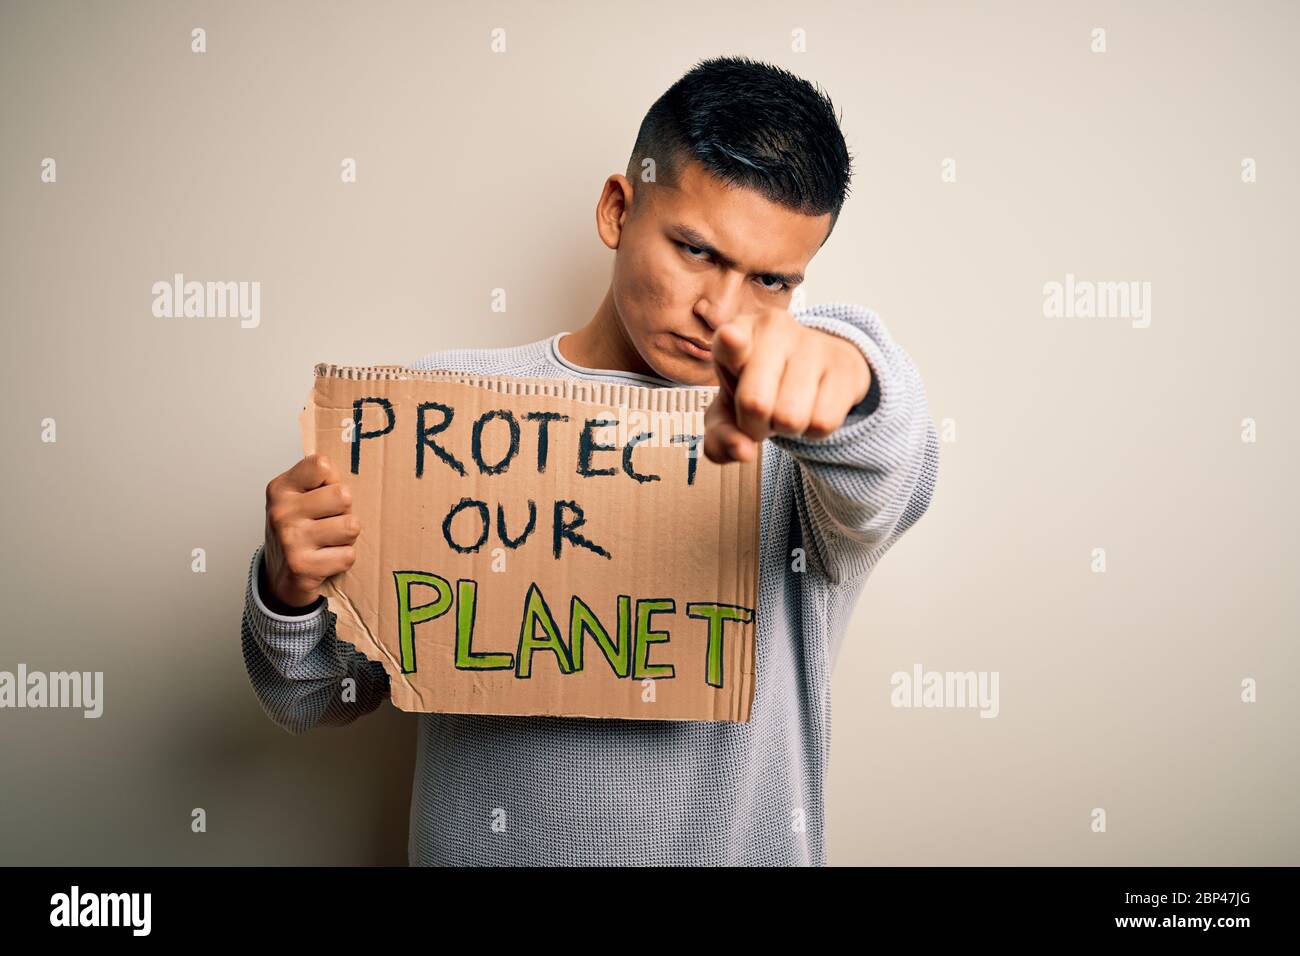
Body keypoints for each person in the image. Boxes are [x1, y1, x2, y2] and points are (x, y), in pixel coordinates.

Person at [242, 54, 939, 865]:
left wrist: (853, 370)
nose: (721, 310)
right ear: (617, 209)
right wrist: (288, 594)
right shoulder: (443, 418)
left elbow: (895, 469)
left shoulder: (803, 447)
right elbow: (316, 696)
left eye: (773, 281)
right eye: (696, 251)